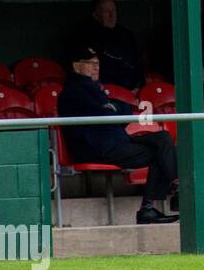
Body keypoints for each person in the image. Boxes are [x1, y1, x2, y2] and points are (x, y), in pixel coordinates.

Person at [57, 46, 177, 225]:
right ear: (76, 66)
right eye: (90, 63)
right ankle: (149, 208)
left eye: (97, 63)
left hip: (116, 141)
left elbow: (122, 111)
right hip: (99, 148)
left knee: (163, 138)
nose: (96, 67)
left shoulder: (93, 88)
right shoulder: (74, 91)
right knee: (159, 153)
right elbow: (106, 116)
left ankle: (175, 187)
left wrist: (114, 109)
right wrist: (113, 110)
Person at [77, 0, 144, 90]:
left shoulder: (126, 34)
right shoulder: (86, 35)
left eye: (114, 11)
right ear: (96, 15)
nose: (112, 15)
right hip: (101, 89)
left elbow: (137, 64)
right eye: (106, 12)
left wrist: (138, 87)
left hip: (129, 90)